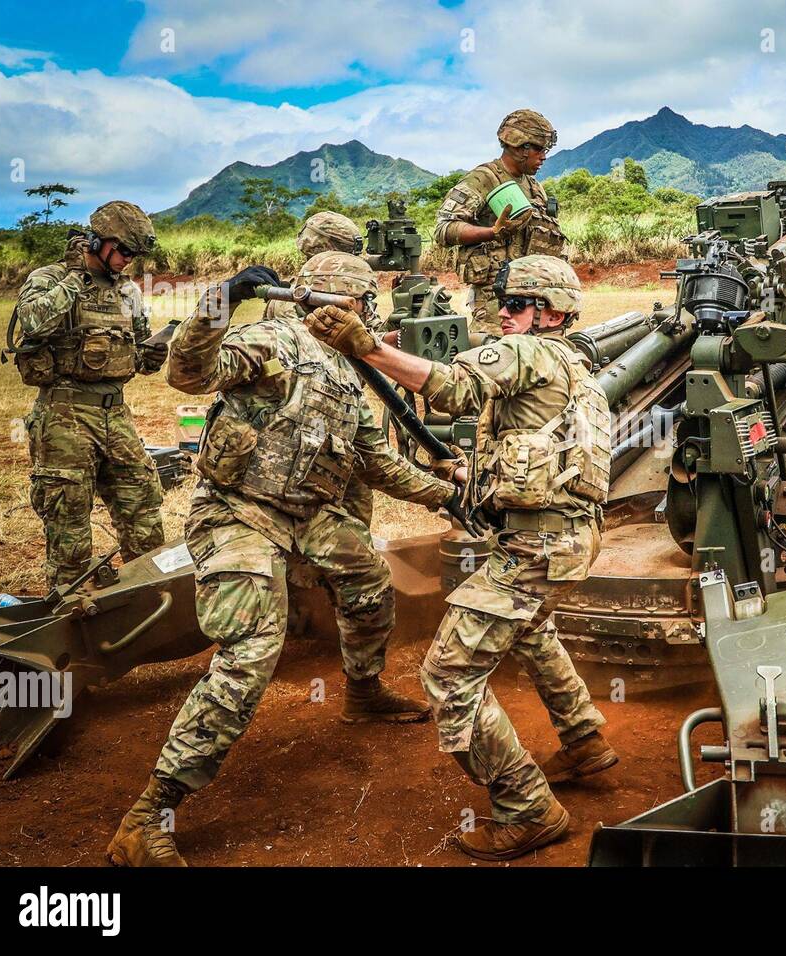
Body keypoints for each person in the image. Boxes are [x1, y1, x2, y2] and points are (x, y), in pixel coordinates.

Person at [107, 253, 459, 866]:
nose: (367, 315)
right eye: (360, 304)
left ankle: (362, 692)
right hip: (237, 512)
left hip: (307, 513)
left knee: (371, 581)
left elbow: (375, 462)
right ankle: (147, 816)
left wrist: (448, 493)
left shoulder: (350, 376)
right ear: (336, 305)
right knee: (250, 651)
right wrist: (221, 299)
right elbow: (187, 374)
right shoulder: (271, 340)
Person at [306, 254, 616, 861]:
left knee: (449, 675)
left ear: (551, 313)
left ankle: (526, 809)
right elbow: (539, 454)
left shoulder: (532, 352)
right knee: (530, 632)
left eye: (519, 303)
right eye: (504, 298)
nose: (503, 309)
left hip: (537, 546)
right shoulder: (574, 366)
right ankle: (582, 738)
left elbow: (451, 387)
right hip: (561, 537)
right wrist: (470, 474)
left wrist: (366, 345)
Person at [10, 201, 166, 589]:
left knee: (143, 507)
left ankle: (149, 599)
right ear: (98, 241)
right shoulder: (51, 278)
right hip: (65, 416)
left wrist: (154, 353)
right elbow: (33, 322)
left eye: (135, 254)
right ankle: (71, 614)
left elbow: (140, 354)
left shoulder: (127, 292)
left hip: (116, 414)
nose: (128, 261)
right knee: (69, 521)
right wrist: (75, 279)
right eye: (124, 251)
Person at [265, 210, 377, 527]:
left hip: (333, 407)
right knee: (338, 503)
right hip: (317, 412)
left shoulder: (299, 292)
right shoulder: (295, 300)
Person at [434, 109, 567, 335]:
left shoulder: (534, 188)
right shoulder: (484, 178)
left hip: (531, 301)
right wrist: (492, 232)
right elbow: (444, 228)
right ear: (519, 146)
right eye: (539, 149)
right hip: (494, 302)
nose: (543, 156)